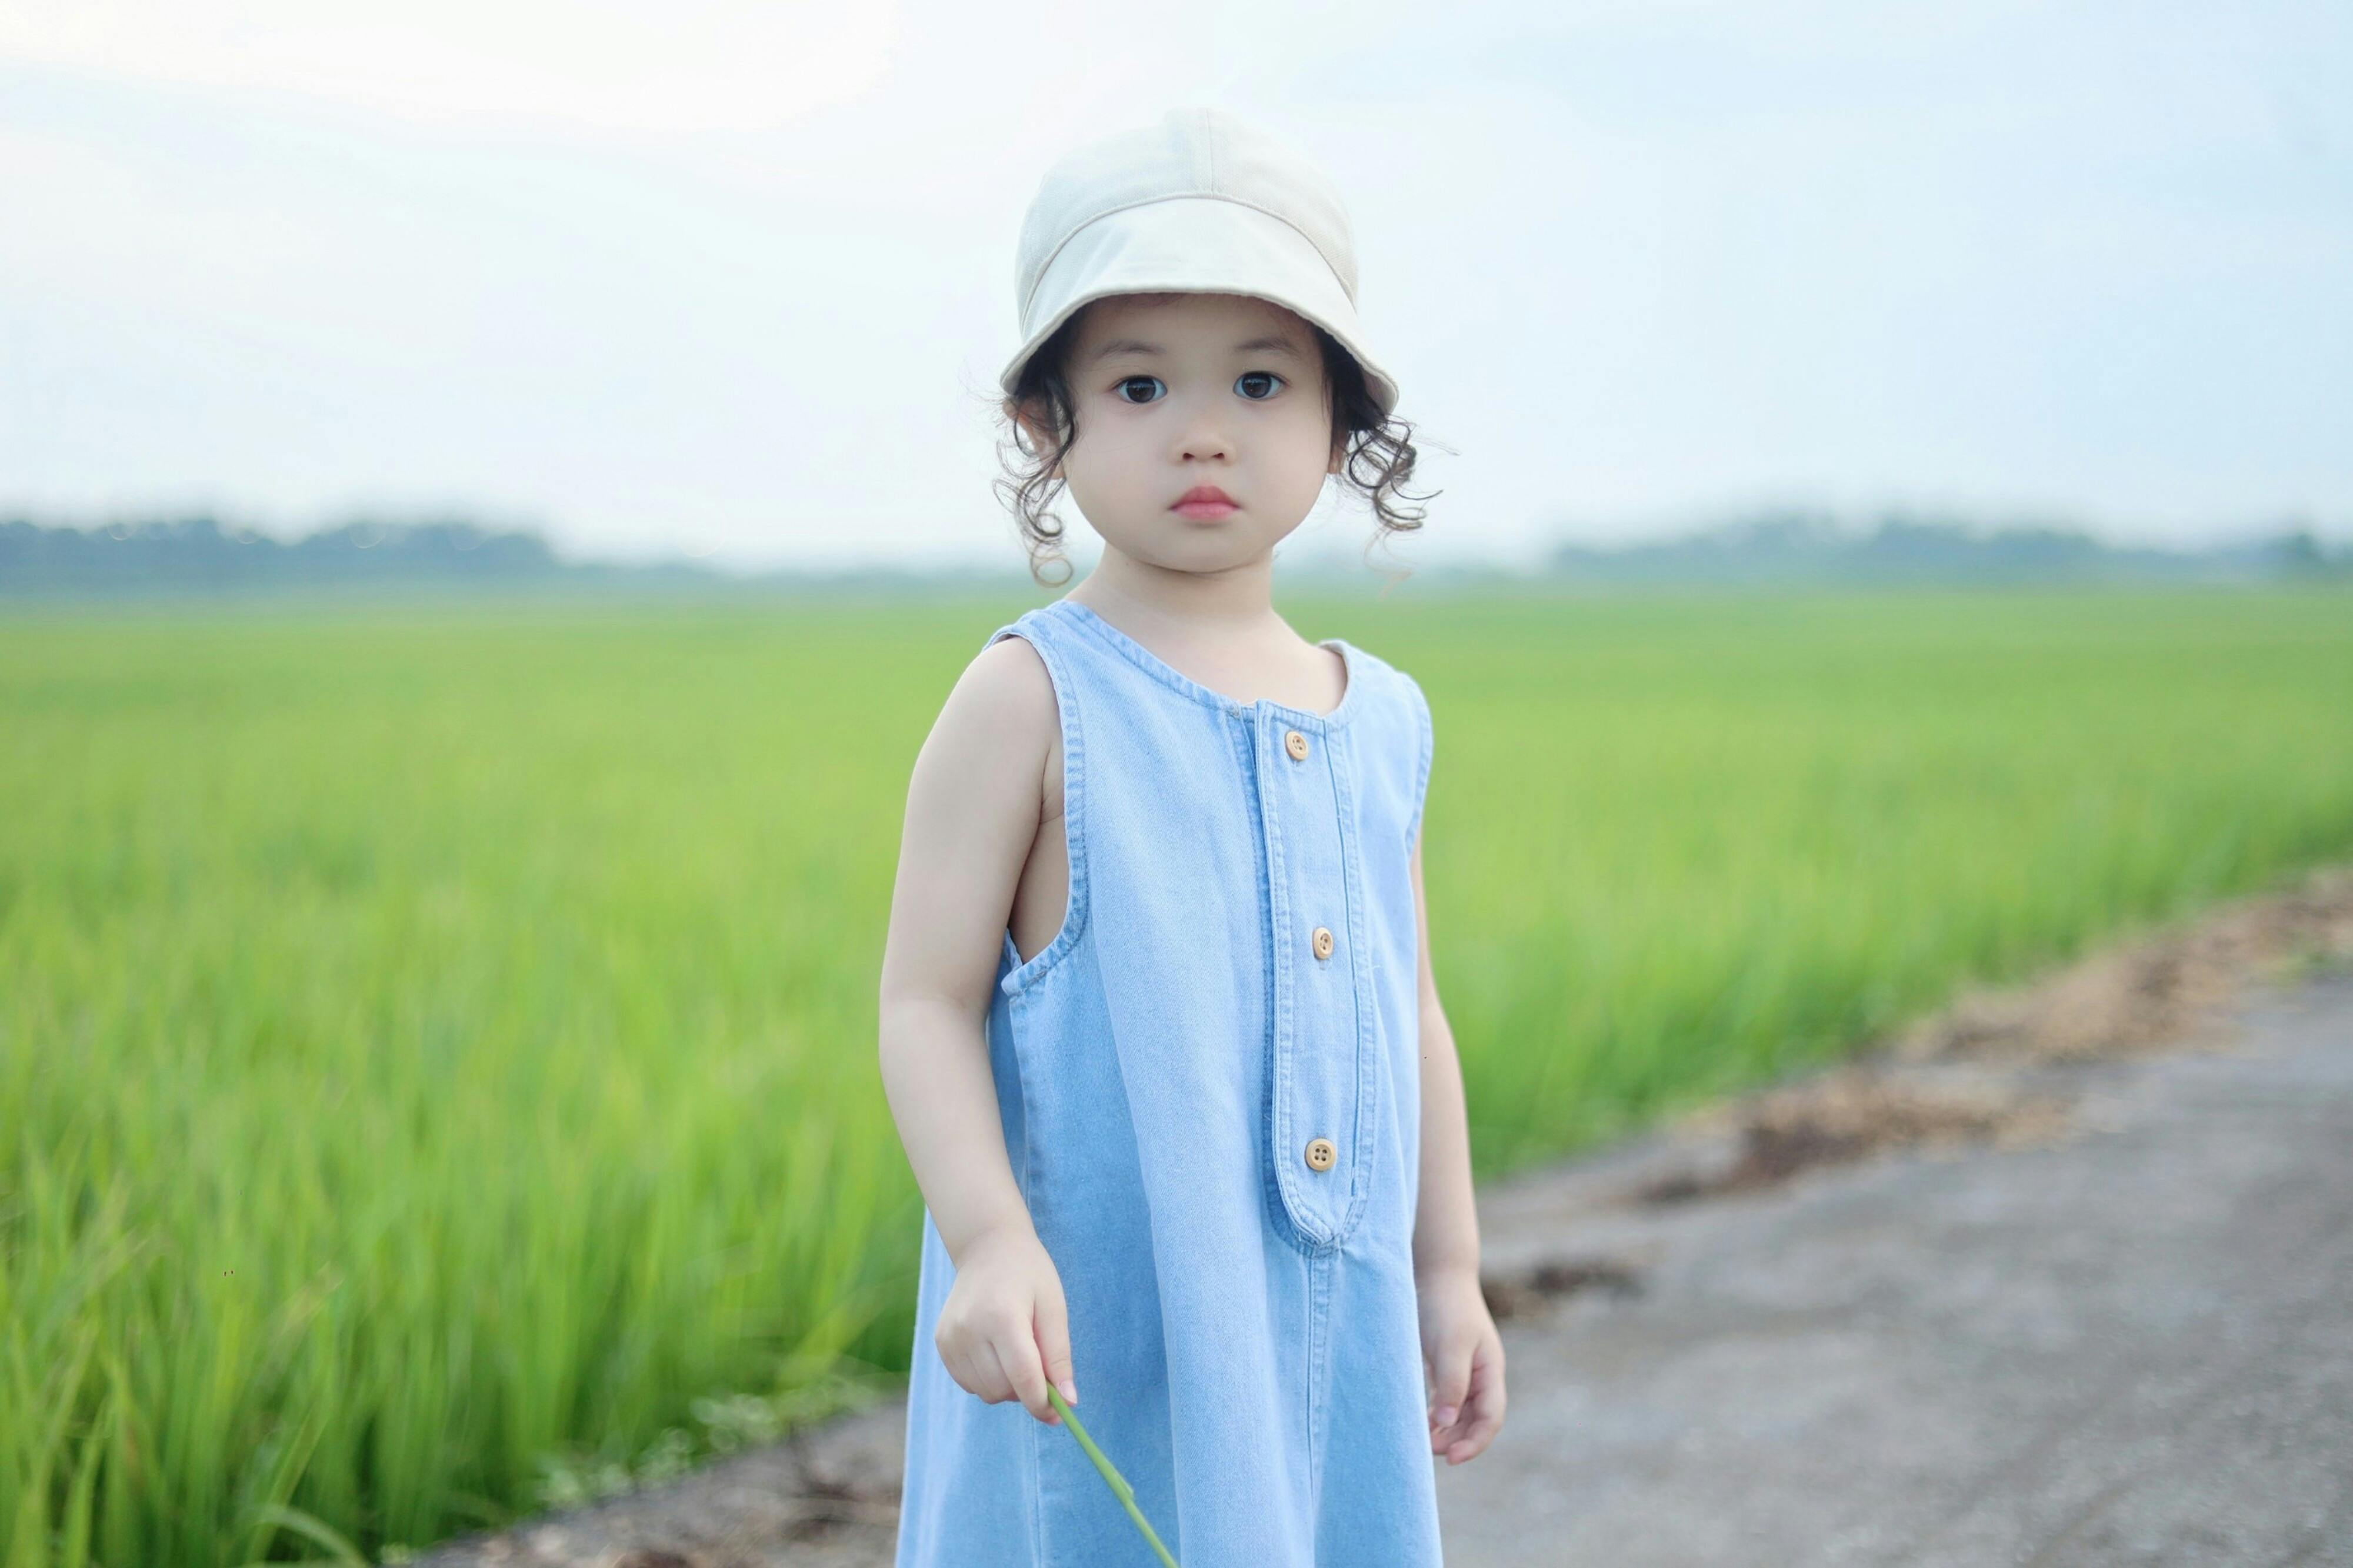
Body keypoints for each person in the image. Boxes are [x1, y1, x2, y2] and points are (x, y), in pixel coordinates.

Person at [876, 106, 1504, 1567]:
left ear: (1342, 425)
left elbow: (1410, 1013)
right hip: (1099, 1327)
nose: (1204, 428)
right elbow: (923, 999)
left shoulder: (1382, 717)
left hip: (1329, 1319)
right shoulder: (1033, 692)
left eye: (1262, 380)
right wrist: (986, 1238)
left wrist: (1449, 1266)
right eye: (1142, 382)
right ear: (1052, 422)